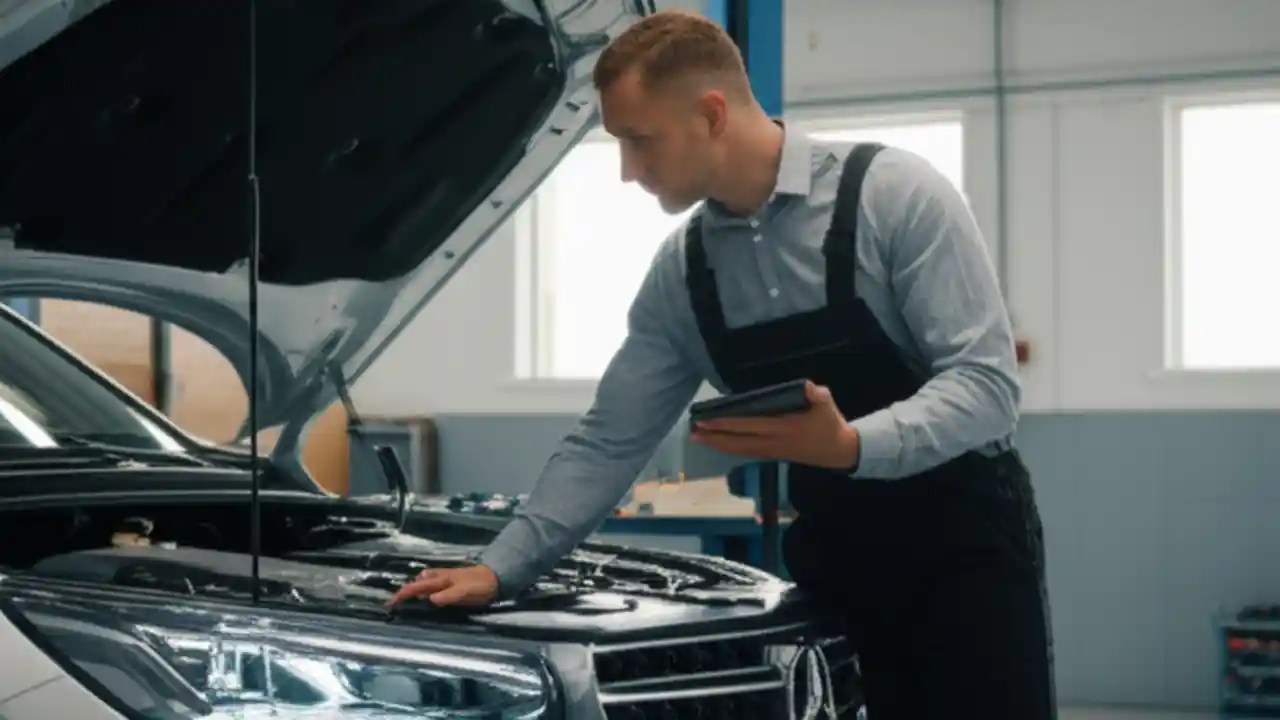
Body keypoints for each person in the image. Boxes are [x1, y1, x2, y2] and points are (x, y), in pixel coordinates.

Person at [389, 9, 1055, 718]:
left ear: (711, 114)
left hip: (964, 557)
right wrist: (500, 568)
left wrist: (852, 445)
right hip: (839, 561)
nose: (628, 172)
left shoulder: (896, 198)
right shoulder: (685, 274)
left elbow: (986, 386)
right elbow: (610, 439)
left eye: (640, 143)